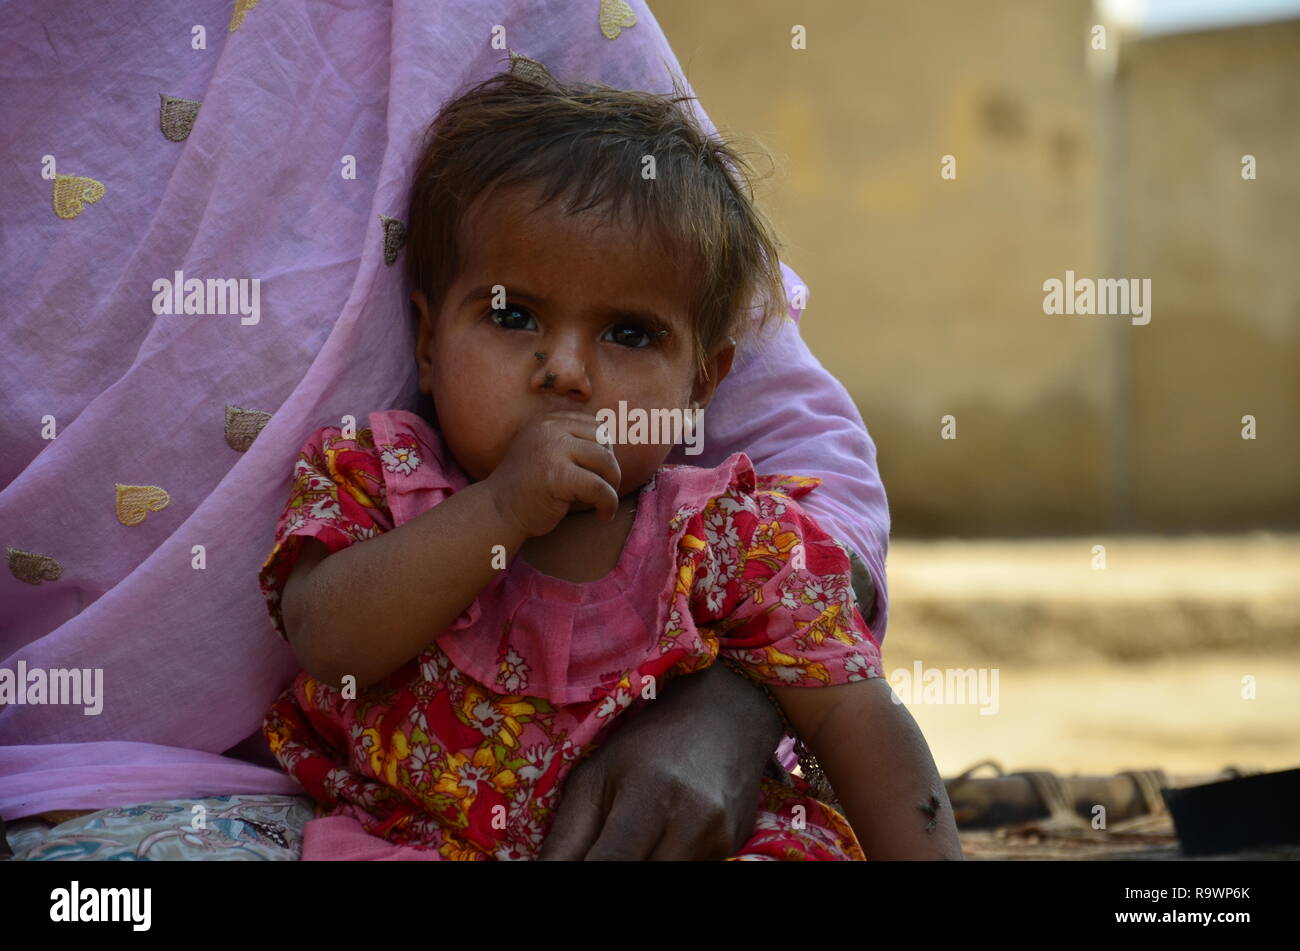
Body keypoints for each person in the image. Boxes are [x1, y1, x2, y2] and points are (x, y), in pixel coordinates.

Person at [258, 69, 960, 860]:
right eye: (511, 315)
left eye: (627, 333)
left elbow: (854, 720)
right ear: (426, 343)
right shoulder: (379, 477)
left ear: (701, 385)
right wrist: (499, 510)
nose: (563, 370)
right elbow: (325, 637)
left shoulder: (731, 542)